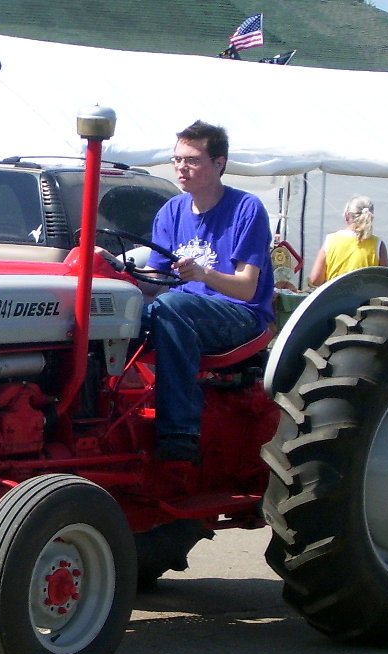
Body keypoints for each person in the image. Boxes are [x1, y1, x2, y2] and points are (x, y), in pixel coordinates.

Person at [141, 120, 275, 464]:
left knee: (170, 307)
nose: (181, 168)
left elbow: (246, 288)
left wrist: (203, 274)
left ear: (219, 163)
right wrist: (110, 268)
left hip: (239, 316)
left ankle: (180, 433)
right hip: (183, 311)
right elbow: (155, 277)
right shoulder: (170, 211)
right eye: (177, 160)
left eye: (192, 160)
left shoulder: (246, 209)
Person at [309, 195, 388, 286]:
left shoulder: (331, 240)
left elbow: (315, 280)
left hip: (333, 297)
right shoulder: (378, 244)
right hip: (365, 299)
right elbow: (384, 282)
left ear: (347, 216)